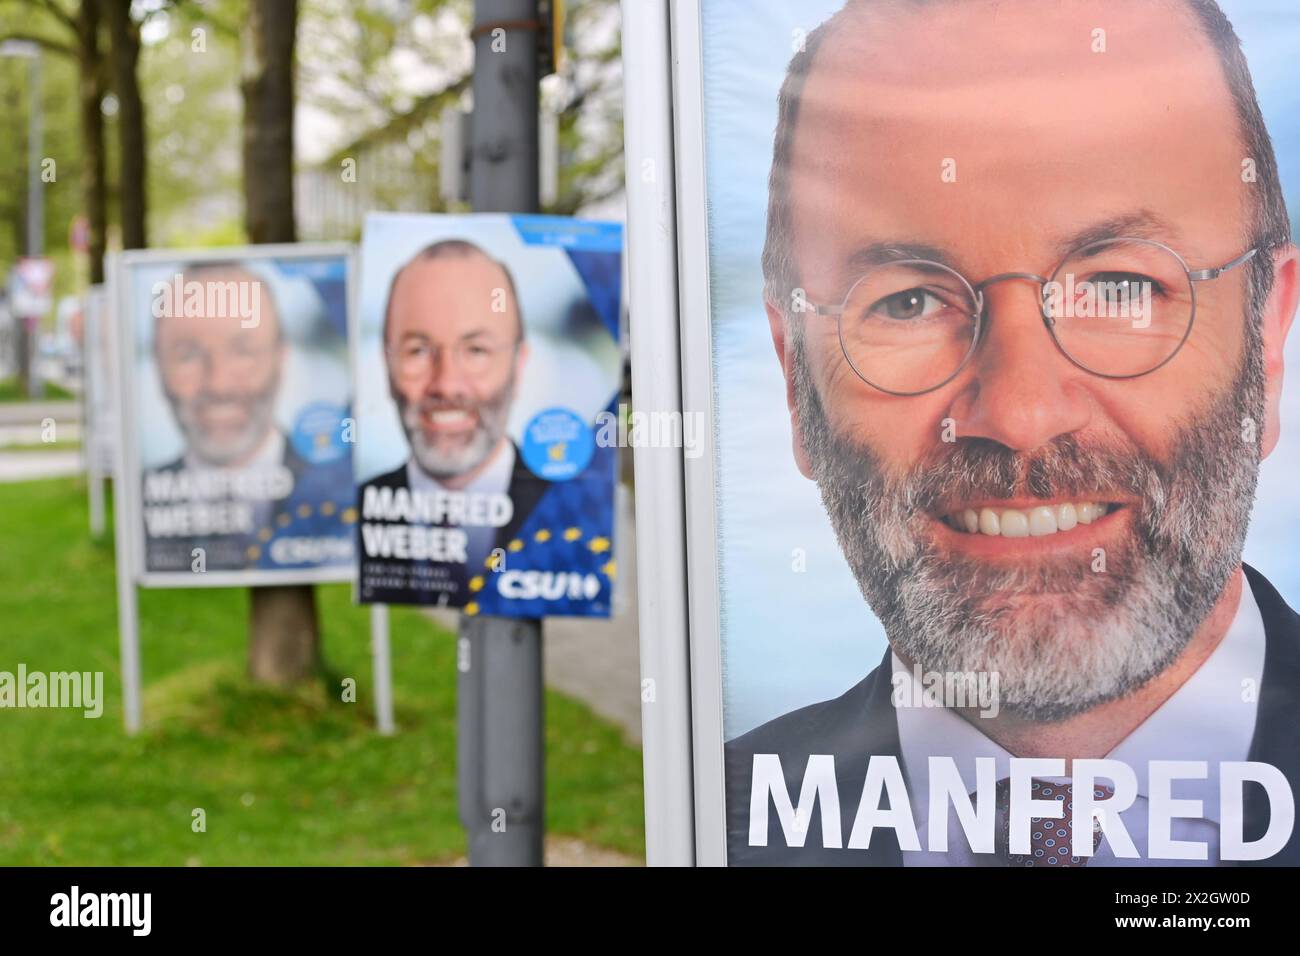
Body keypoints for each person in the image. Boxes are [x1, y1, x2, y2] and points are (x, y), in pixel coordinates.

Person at [728, 0, 1300, 866]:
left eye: (1117, 289)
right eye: (908, 301)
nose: (1022, 417)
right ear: (794, 382)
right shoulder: (715, 820)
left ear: (1266, 339)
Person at [358, 240, 550, 604]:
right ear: (386, 365)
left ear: (519, 364)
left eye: (476, 350)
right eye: (417, 350)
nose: (446, 384)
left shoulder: (567, 514)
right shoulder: (348, 518)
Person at [144, 261, 351, 573]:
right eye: (187, 355)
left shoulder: (336, 496)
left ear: (282, 358)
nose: (219, 383)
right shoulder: (137, 509)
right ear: (159, 367)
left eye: (243, 352)